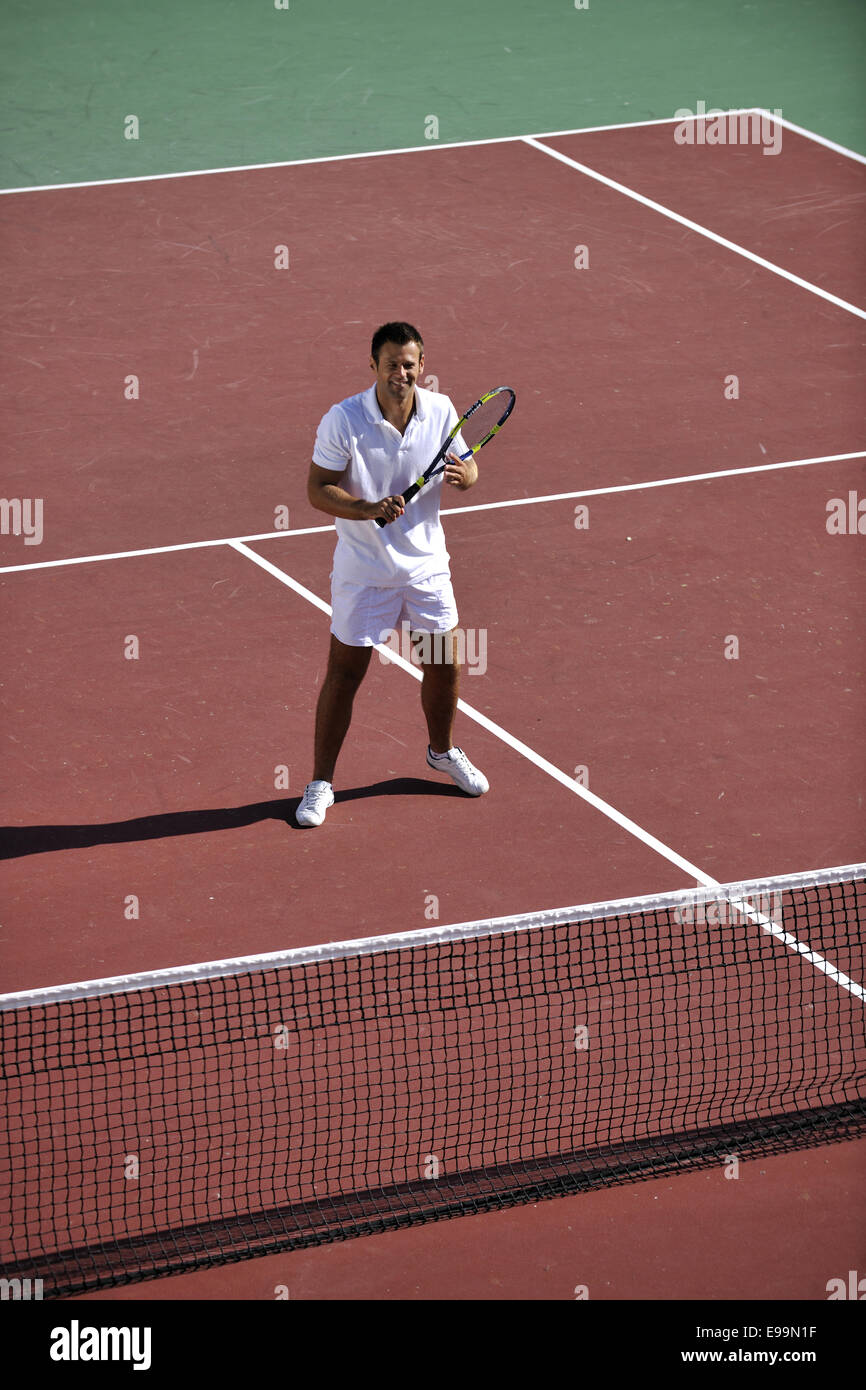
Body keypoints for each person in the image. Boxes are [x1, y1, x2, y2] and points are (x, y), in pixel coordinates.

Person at [296, 321, 489, 827]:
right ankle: (320, 783)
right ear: (373, 366)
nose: (400, 373)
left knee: (444, 664)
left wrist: (467, 474)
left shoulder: (442, 411)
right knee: (345, 674)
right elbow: (317, 489)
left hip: (426, 569)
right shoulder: (343, 420)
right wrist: (366, 508)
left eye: (409, 364)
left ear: (421, 367)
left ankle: (441, 752)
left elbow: (466, 468)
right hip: (363, 573)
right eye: (390, 365)